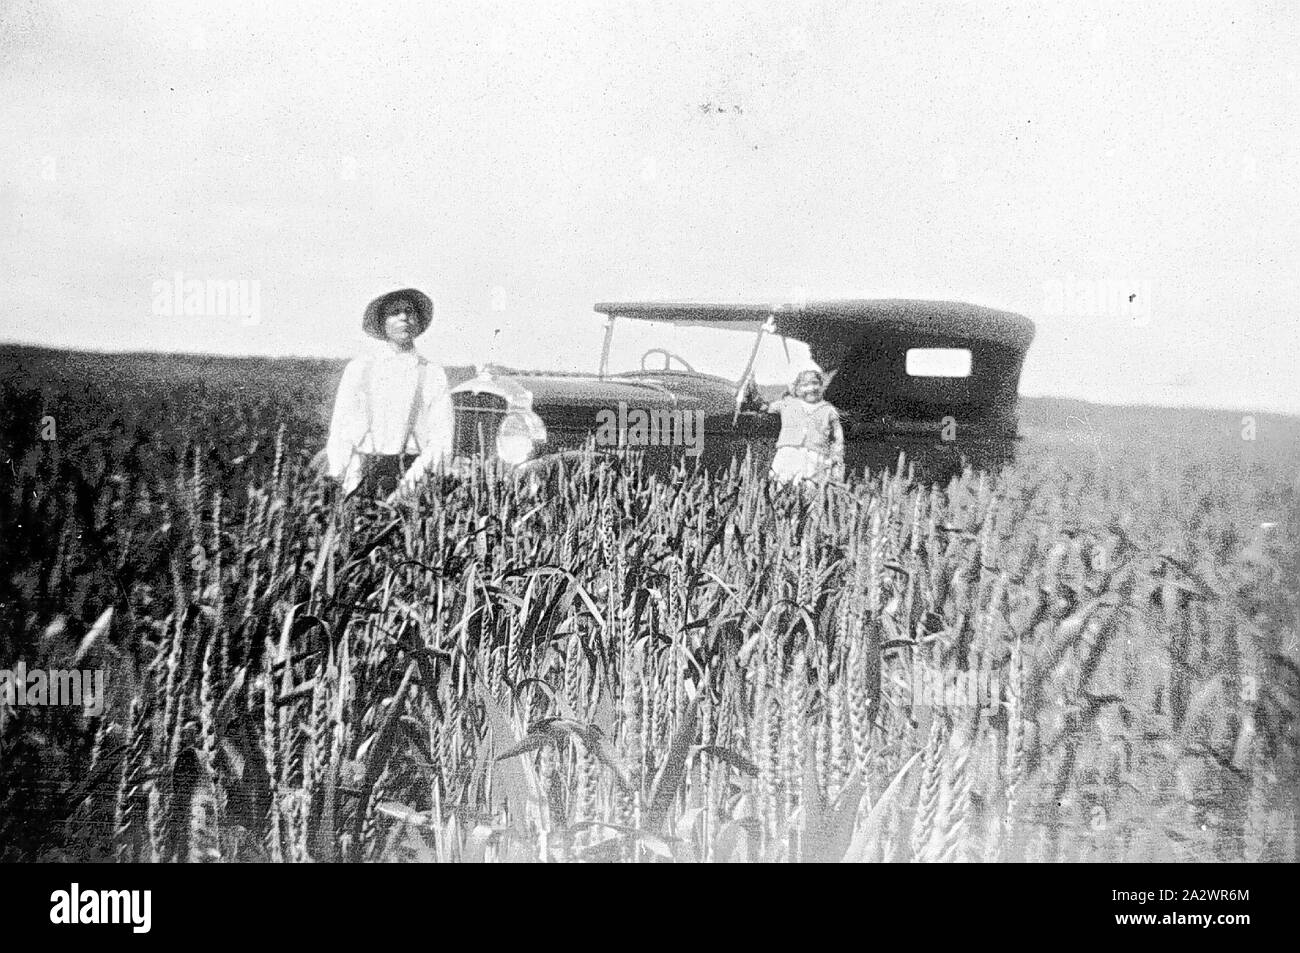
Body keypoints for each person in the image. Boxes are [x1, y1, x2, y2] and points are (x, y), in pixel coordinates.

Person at [324, 288, 455, 500]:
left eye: (410, 311)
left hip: (413, 476)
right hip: (359, 476)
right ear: (382, 322)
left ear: (418, 321)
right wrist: (346, 482)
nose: (404, 317)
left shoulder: (433, 373)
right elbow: (340, 431)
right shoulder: (359, 369)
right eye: (395, 312)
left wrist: (406, 489)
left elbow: (441, 440)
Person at [765, 369, 844, 484]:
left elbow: (837, 438)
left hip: (815, 456)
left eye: (815, 383)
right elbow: (765, 407)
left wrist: (836, 460)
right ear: (797, 388)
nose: (811, 388)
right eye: (805, 385)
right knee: (781, 484)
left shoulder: (828, 410)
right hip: (788, 453)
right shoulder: (786, 403)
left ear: (821, 386)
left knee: (810, 489)